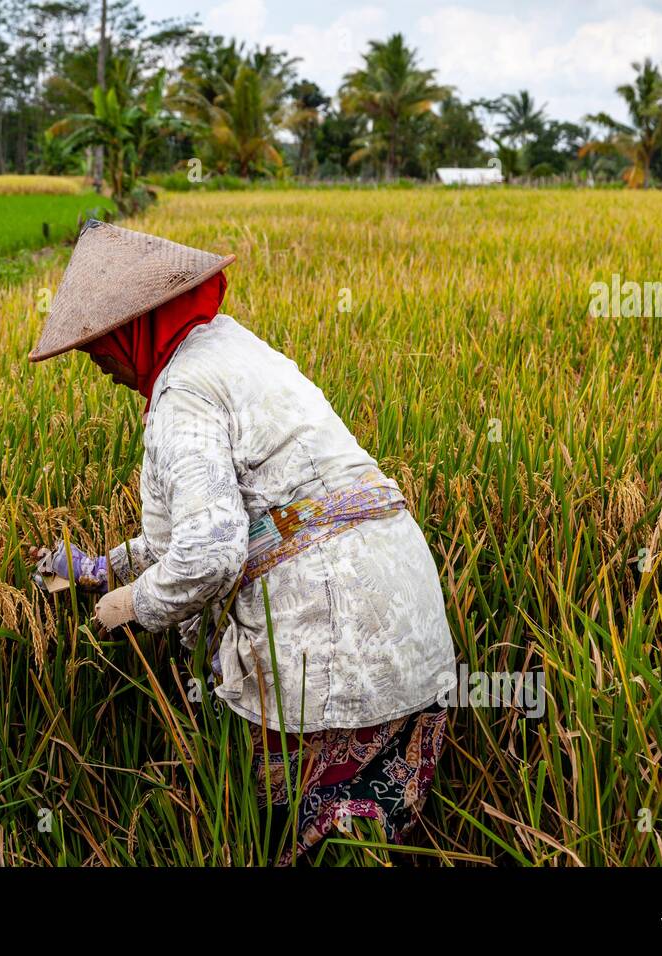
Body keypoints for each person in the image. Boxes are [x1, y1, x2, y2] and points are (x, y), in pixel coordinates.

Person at [29, 219, 457, 863]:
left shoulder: (182, 393)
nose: (98, 364)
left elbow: (211, 553)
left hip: (329, 652)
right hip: (407, 626)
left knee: (274, 840)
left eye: (97, 347)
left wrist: (131, 607)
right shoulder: (238, 353)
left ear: (132, 328)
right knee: (359, 845)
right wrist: (99, 569)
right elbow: (221, 528)